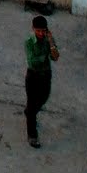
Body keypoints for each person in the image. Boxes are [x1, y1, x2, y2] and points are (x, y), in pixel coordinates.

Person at [24, 15, 59, 147]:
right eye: (38, 30)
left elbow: (55, 57)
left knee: (43, 98)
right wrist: (45, 56)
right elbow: (32, 62)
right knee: (32, 106)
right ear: (33, 29)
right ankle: (32, 136)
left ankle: (29, 113)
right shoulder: (29, 41)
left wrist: (51, 43)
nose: (40, 33)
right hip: (33, 76)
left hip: (45, 75)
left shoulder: (48, 40)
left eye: (42, 31)